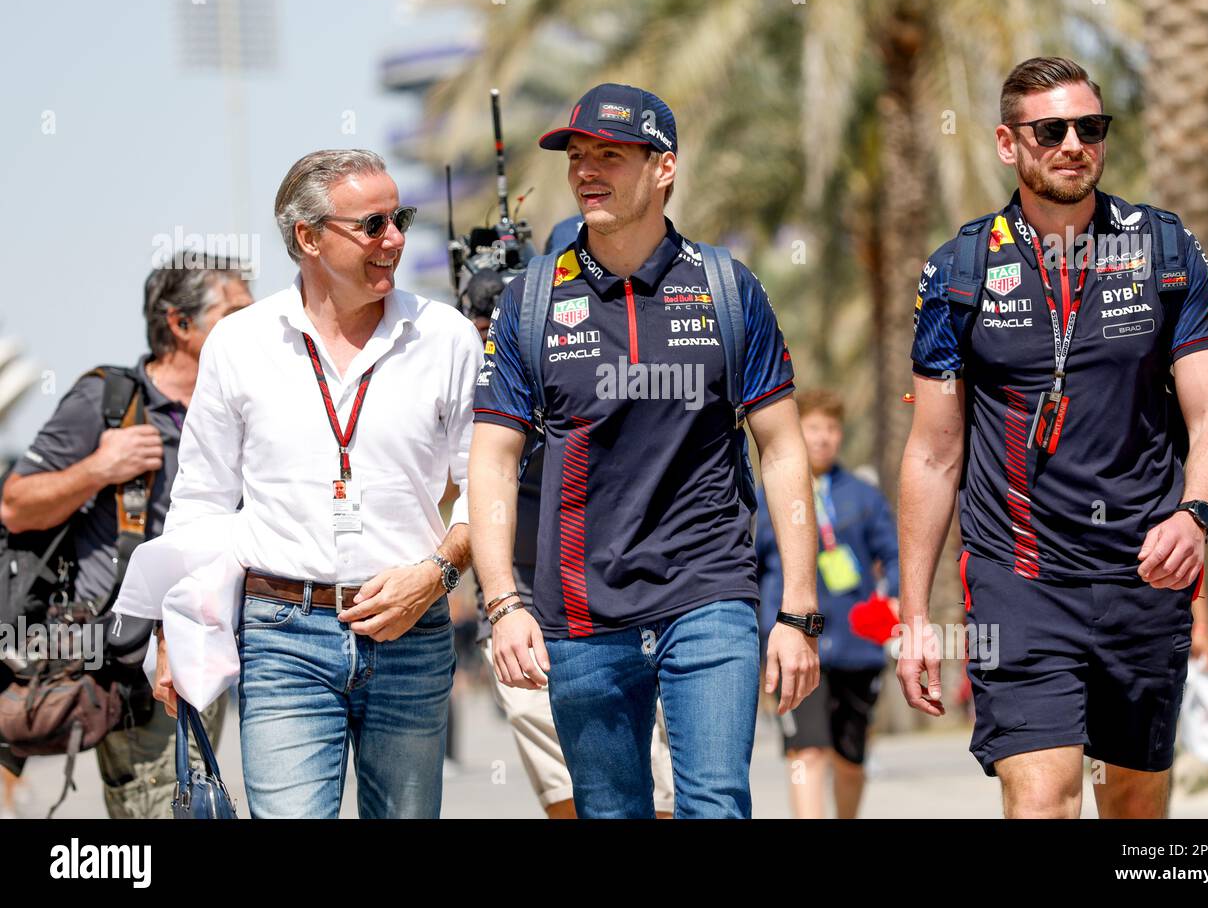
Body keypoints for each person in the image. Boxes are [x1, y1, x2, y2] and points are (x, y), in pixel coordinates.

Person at [900, 57, 1208, 818]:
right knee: (1044, 800)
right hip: (1017, 578)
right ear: (1006, 143)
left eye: (1090, 128)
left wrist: (1196, 515)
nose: (1072, 144)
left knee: (1131, 802)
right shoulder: (962, 269)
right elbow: (933, 451)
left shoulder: (1162, 249)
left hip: (1144, 573)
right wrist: (915, 616)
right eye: (1049, 129)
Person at [470, 83, 820, 819]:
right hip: (580, 615)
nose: (587, 172)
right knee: (610, 813)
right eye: (577, 157)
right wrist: (503, 603)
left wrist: (797, 610)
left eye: (610, 155)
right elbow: (494, 459)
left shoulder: (728, 287)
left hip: (710, 594)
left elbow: (782, 449)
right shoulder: (532, 300)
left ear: (664, 168)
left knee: (715, 804)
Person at [150, 149, 481, 818]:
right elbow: (202, 502)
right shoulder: (239, 344)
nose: (394, 239)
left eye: (401, 218)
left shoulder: (446, 337)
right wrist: (176, 635)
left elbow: (490, 489)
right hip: (281, 636)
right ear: (307, 236)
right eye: (373, 224)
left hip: (411, 633)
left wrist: (439, 573)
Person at [0, 255, 251, 817]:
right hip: (133, 661)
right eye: (234, 313)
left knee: (197, 801)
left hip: (222, 645)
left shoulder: (241, 405)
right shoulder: (110, 402)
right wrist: (99, 467)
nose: (251, 325)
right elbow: (15, 505)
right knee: (162, 809)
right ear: (180, 326)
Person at [464, 227, 675, 819]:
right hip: (525, 609)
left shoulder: (633, 357)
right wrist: (482, 337)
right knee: (573, 799)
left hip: (630, 601)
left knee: (660, 793)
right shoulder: (492, 349)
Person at [756, 387, 898, 819]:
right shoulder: (768, 496)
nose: (822, 438)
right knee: (807, 752)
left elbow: (893, 556)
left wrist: (890, 596)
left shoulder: (864, 497)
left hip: (858, 644)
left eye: (832, 429)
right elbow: (750, 565)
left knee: (849, 760)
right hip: (794, 642)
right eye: (813, 428)